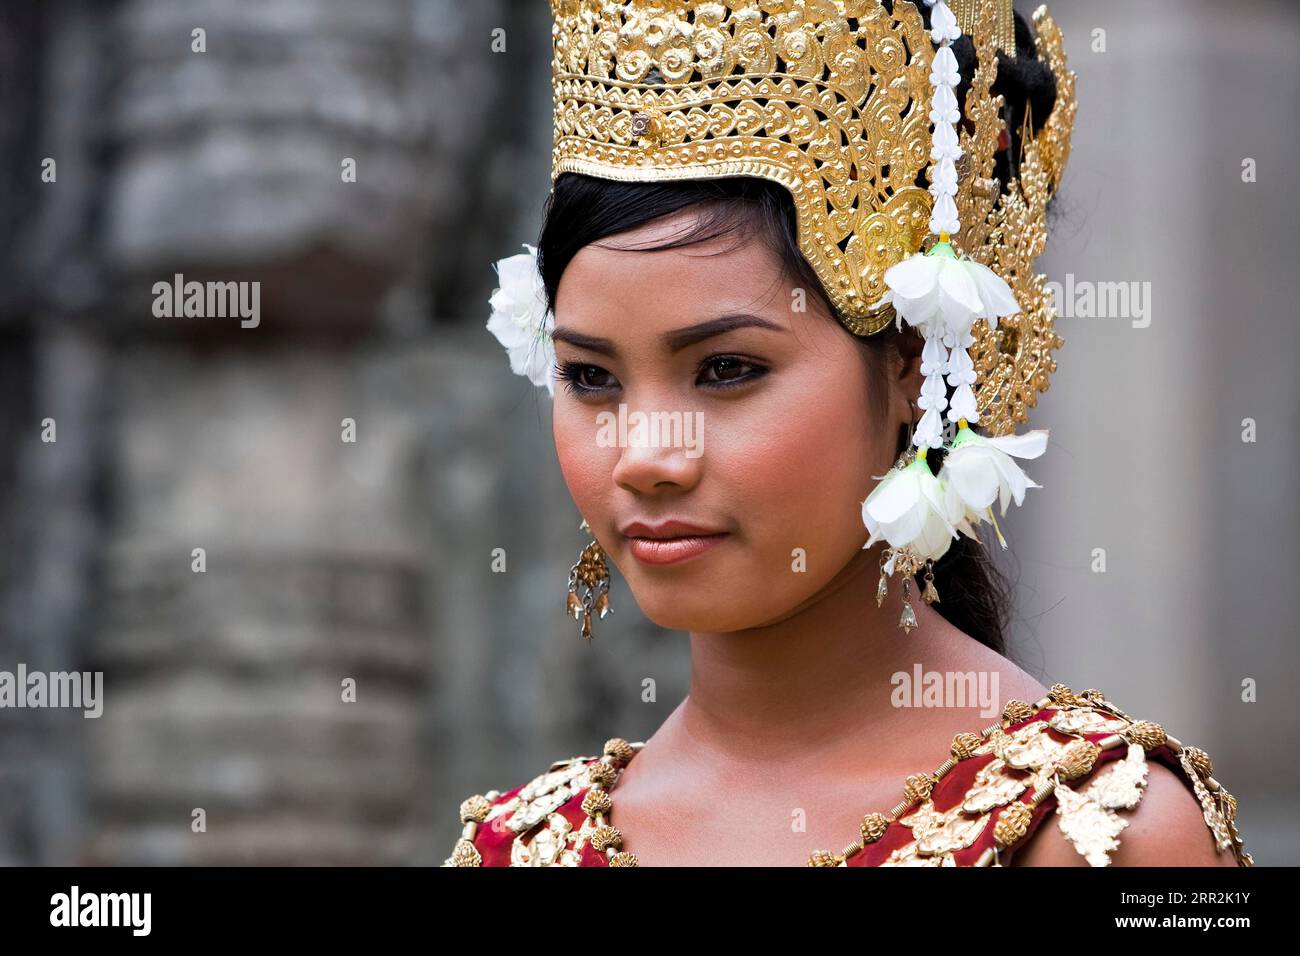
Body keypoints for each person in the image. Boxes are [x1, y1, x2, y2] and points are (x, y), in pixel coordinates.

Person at [447, 0, 1251, 867]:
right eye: (591, 378)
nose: (644, 456)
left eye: (727, 370)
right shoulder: (519, 847)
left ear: (910, 359)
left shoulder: (1100, 831)